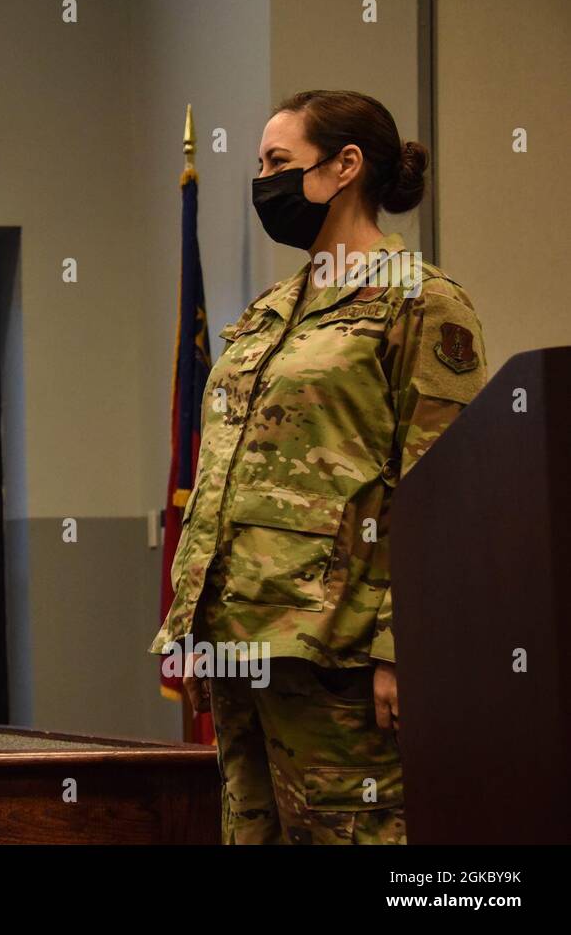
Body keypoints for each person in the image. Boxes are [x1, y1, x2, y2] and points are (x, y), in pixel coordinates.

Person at [150, 90, 488, 844]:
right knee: (250, 832)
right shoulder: (272, 310)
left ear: (345, 167)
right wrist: (194, 627)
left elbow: (445, 493)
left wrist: (403, 652)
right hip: (242, 643)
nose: (263, 180)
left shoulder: (422, 303)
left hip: (337, 653)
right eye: (260, 164)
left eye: (278, 162)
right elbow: (221, 474)